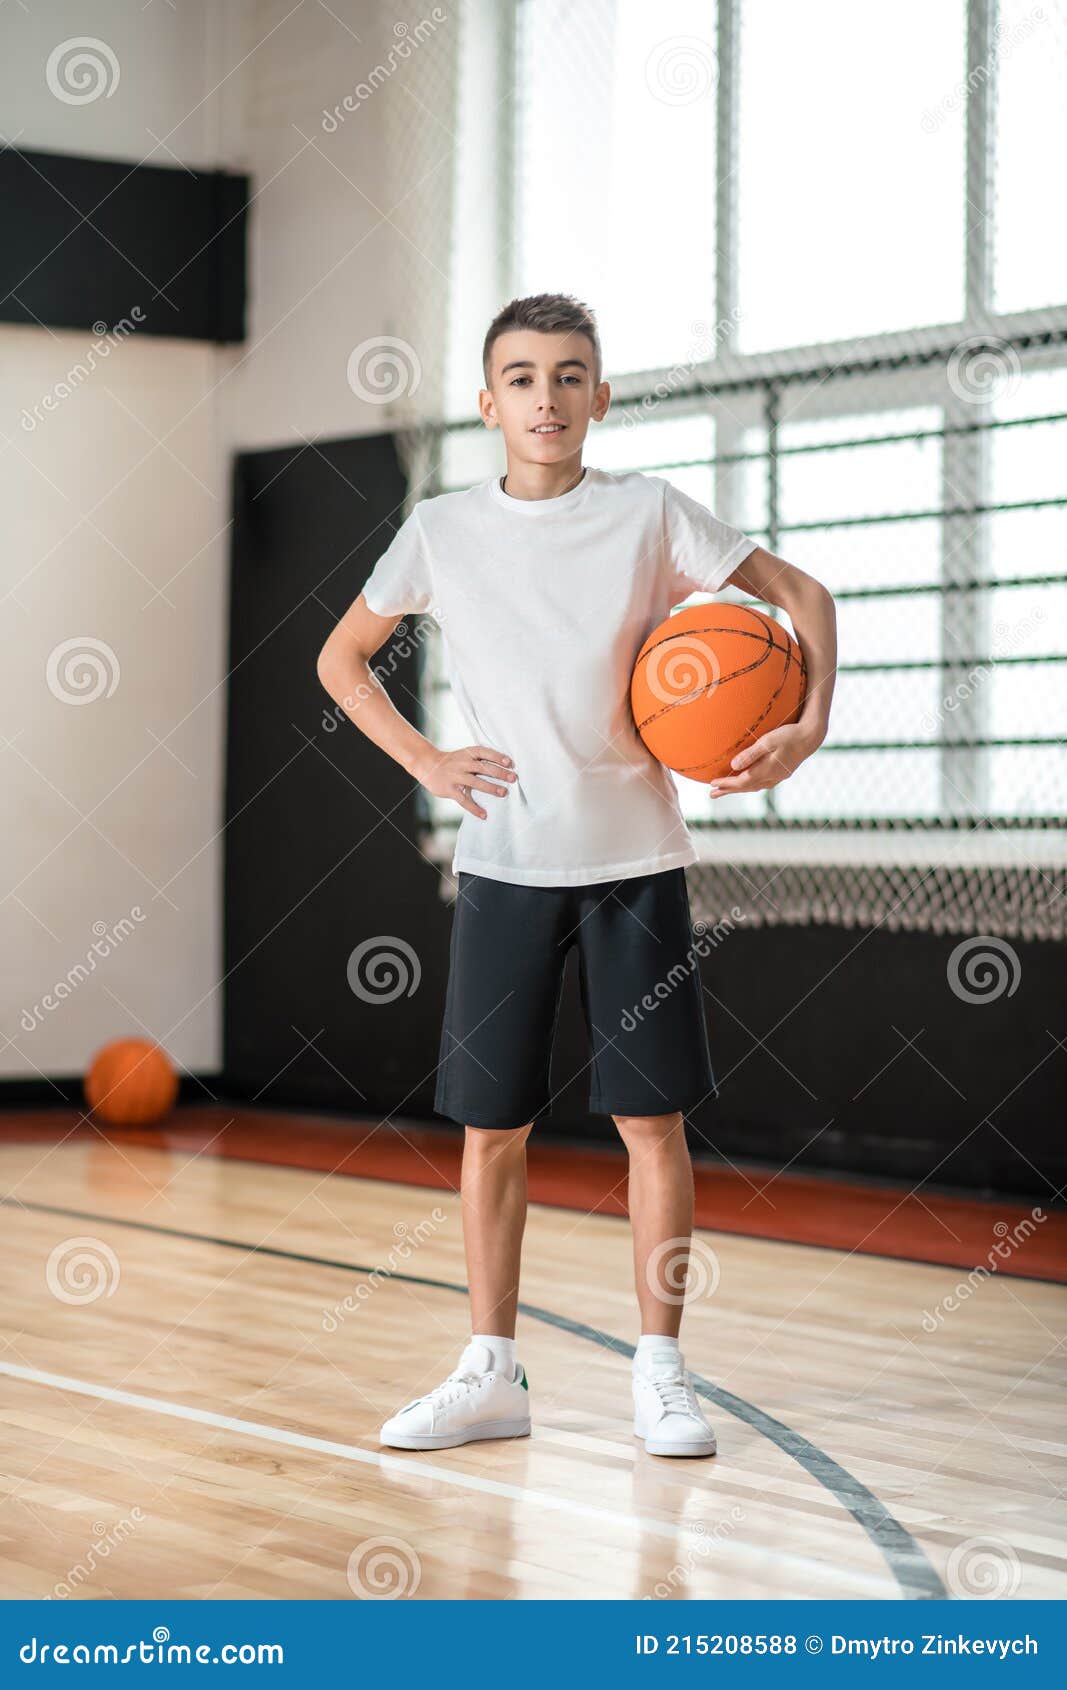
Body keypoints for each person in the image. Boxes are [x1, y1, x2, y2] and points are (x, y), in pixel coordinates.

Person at [316, 293, 837, 1458]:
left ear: (598, 397)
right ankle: (490, 1371)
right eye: (520, 377)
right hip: (505, 863)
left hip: (633, 859)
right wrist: (424, 758)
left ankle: (660, 1370)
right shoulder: (442, 531)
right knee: (489, 1128)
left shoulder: (650, 515)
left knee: (650, 1125)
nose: (544, 397)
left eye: (567, 376)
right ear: (489, 399)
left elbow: (804, 600)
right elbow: (339, 657)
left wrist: (799, 731)